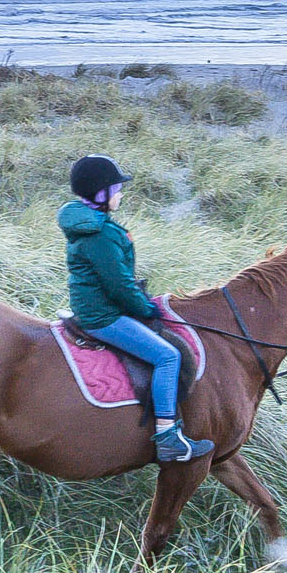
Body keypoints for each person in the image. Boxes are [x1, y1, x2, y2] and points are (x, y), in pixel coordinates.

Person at [57, 154, 214, 463]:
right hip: (104, 316)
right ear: (100, 194)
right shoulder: (101, 234)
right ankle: (168, 437)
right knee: (168, 356)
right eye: (116, 189)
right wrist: (145, 308)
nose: (120, 194)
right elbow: (118, 285)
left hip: (94, 306)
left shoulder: (91, 224)